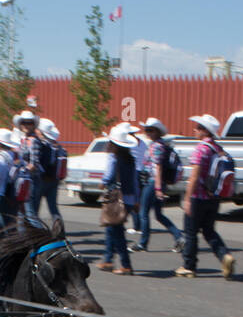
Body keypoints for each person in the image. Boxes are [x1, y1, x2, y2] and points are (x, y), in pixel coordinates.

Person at [175, 113, 235, 279]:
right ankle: (225, 255)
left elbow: (194, 176)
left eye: (198, 127)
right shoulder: (218, 149)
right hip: (213, 197)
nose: (195, 130)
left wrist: (187, 198)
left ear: (205, 131)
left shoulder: (201, 149)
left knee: (190, 231)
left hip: (198, 197)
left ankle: (189, 266)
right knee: (209, 231)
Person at [134, 118, 183, 253]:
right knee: (158, 215)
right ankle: (179, 237)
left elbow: (158, 167)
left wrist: (157, 188)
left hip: (153, 183)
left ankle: (143, 243)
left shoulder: (157, 146)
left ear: (157, 132)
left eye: (150, 130)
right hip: (156, 183)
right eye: (146, 130)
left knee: (144, 213)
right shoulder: (158, 145)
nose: (147, 132)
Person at [100, 127, 140, 275]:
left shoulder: (113, 157)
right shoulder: (131, 159)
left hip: (116, 198)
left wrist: (103, 181)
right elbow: (135, 181)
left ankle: (125, 264)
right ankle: (108, 259)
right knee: (112, 229)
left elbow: (109, 175)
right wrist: (137, 199)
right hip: (128, 198)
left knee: (116, 232)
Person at [0, 128, 20, 243]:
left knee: (5, 227)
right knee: (5, 225)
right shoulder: (16, 156)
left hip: (3, 194)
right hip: (15, 194)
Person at [36, 118, 64, 221]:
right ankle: (59, 232)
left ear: (40, 131)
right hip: (54, 180)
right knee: (53, 209)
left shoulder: (41, 145)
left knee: (35, 209)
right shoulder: (57, 146)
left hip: (42, 180)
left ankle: (35, 232)